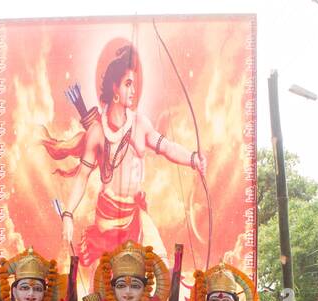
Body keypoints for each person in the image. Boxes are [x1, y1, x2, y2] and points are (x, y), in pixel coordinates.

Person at [46, 42, 207, 266]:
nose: (133, 90)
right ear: (114, 88)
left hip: (136, 214)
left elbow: (167, 147)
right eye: (127, 84)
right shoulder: (97, 131)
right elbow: (82, 176)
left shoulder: (140, 123)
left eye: (135, 84)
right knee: (111, 283)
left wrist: (192, 159)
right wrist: (67, 215)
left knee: (160, 267)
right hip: (107, 220)